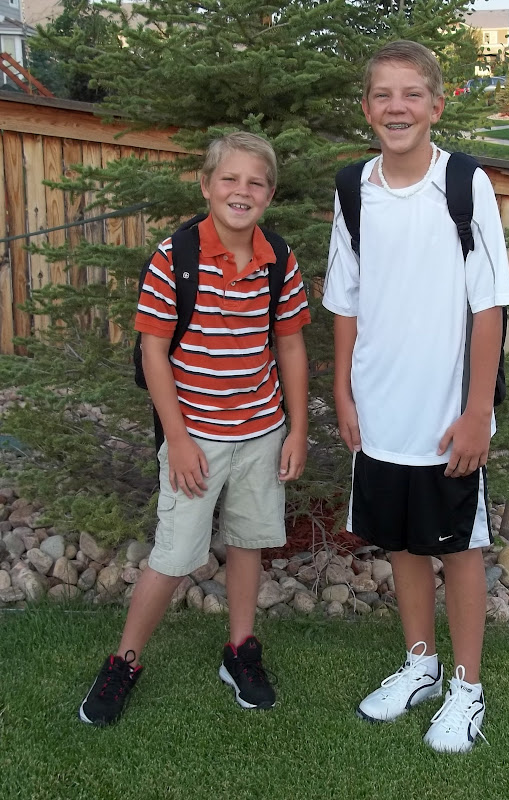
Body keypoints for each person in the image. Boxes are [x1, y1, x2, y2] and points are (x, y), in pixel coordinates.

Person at [79, 132, 311, 725]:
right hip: (196, 438)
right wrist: (178, 440)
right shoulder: (173, 258)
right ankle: (124, 661)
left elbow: (290, 345)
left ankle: (240, 651)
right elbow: (153, 353)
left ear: (269, 194)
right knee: (174, 554)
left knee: (249, 541)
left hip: (262, 431)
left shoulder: (279, 260)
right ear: (206, 185)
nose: (241, 191)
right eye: (229, 179)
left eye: (255, 182)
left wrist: (297, 429)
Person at [322, 41, 509, 753]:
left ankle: (467, 686)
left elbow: (488, 305)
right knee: (402, 542)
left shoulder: (463, 184)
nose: (396, 107)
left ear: (435, 106)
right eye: (383, 94)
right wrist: (343, 393)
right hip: (379, 410)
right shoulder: (353, 189)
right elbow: (345, 302)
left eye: (411, 94)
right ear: (366, 107)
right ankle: (421, 666)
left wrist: (476, 412)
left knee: (456, 547)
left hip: (444, 414)